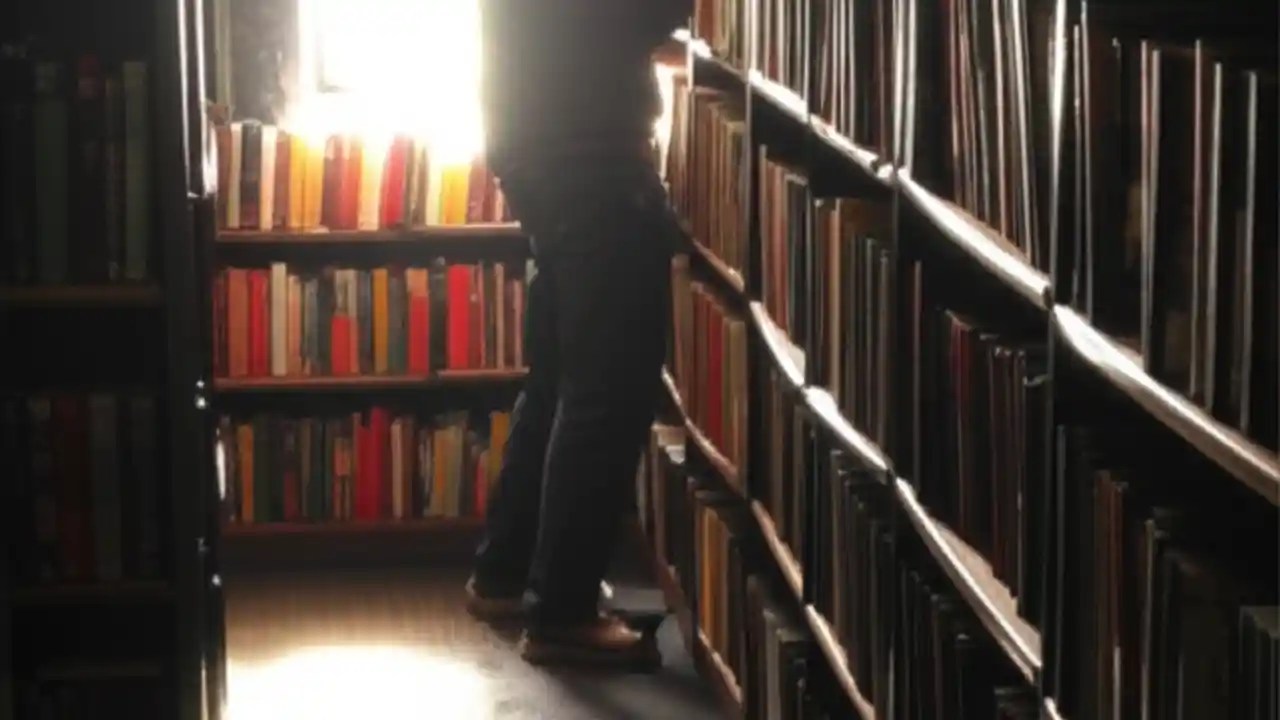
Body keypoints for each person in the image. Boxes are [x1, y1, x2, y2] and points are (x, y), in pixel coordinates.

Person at [465, 1, 692, 667]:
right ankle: (561, 611)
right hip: (589, 158)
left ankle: (505, 573)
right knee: (607, 390)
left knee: (563, 376)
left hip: (539, 147)